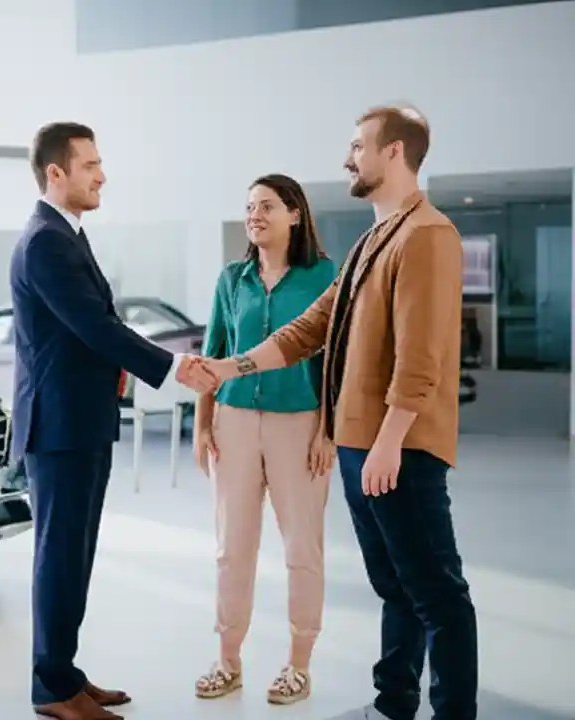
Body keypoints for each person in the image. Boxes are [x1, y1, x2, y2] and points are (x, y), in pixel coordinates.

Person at [203, 105, 478, 720]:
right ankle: (393, 703)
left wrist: (389, 441)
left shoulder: (427, 235)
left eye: (358, 145)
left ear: (394, 154)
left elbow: (421, 355)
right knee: (394, 588)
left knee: (436, 591)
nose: (347, 157)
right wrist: (229, 368)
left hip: (396, 450)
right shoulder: (373, 239)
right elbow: (309, 329)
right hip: (360, 445)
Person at [10, 121, 216, 720]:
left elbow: (88, 332)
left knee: (75, 554)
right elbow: (95, 327)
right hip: (60, 427)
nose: (102, 175)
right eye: (91, 164)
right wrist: (176, 367)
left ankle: (65, 674)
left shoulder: (66, 234)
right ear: (56, 172)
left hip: (80, 420)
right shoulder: (46, 240)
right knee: (59, 555)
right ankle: (52, 687)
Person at [192, 173, 337, 706]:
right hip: (233, 422)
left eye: (267, 205)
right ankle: (227, 660)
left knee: (302, 547)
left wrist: (329, 430)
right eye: (250, 206)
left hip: (300, 424)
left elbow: (333, 363)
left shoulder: (324, 275)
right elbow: (213, 352)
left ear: (295, 214)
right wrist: (202, 424)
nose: (255, 214)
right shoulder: (232, 279)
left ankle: (299, 664)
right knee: (233, 548)